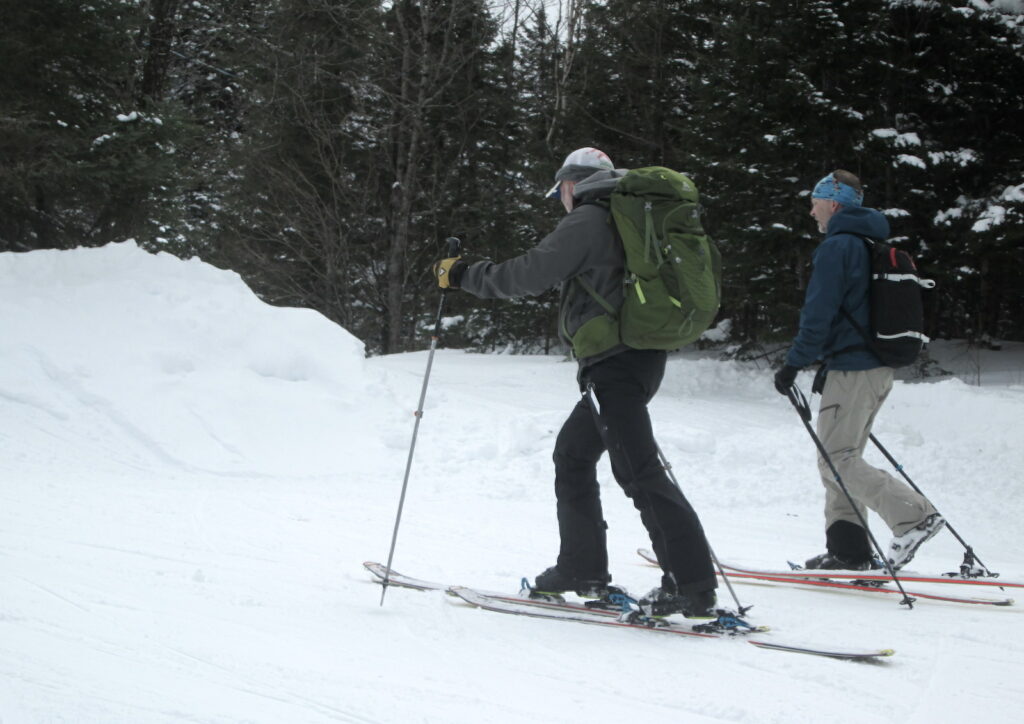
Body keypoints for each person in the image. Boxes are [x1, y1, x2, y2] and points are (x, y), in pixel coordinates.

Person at [432, 147, 718, 616]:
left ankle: (692, 583)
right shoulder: (625, 216)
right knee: (573, 452)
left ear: (571, 184)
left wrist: (464, 275)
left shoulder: (591, 218)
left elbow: (528, 273)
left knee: (638, 471)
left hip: (615, 364)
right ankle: (581, 567)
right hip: (633, 359)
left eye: (560, 191)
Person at [774, 170, 945, 571]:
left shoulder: (838, 247)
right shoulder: (869, 242)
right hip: (873, 369)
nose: (811, 209)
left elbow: (819, 312)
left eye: (815, 201)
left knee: (838, 459)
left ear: (833, 204)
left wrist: (794, 362)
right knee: (840, 457)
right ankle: (849, 550)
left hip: (853, 370)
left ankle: (914, 517)